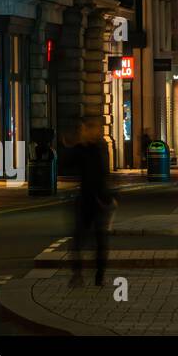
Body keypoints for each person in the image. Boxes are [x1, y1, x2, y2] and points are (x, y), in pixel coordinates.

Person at [70, 117, 114, 287]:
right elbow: (67, 164)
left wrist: (107, 198)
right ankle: (78, 274)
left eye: (86, 129)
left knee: (99, 241)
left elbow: (102, 174)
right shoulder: (83, 148)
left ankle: (99, 276)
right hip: (87, 199)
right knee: (80, 240)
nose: (85, 132)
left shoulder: (99, 147)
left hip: (97, 200)